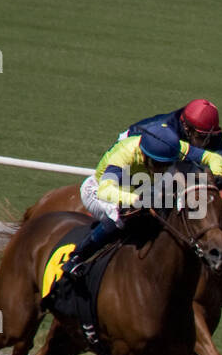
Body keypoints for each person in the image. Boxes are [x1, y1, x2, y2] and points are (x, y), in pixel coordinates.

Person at [49, 123, 205, 290]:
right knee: (120, 217)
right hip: (99, 191)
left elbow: (200, 166)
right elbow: (106, 190)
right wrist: (136, 199)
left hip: (133, 189)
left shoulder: (166, 151)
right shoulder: (124, 155)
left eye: (166, 165)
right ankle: (75, 258)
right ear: (145, 155)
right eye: (159, 164)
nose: (163, 169)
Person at [121, 98, 222, 172]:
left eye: (208, 136)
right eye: (201, 136)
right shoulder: (167, 133)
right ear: (187, 128)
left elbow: (218, 149)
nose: (206, 141)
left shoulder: (204, 128)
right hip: (134, 142)